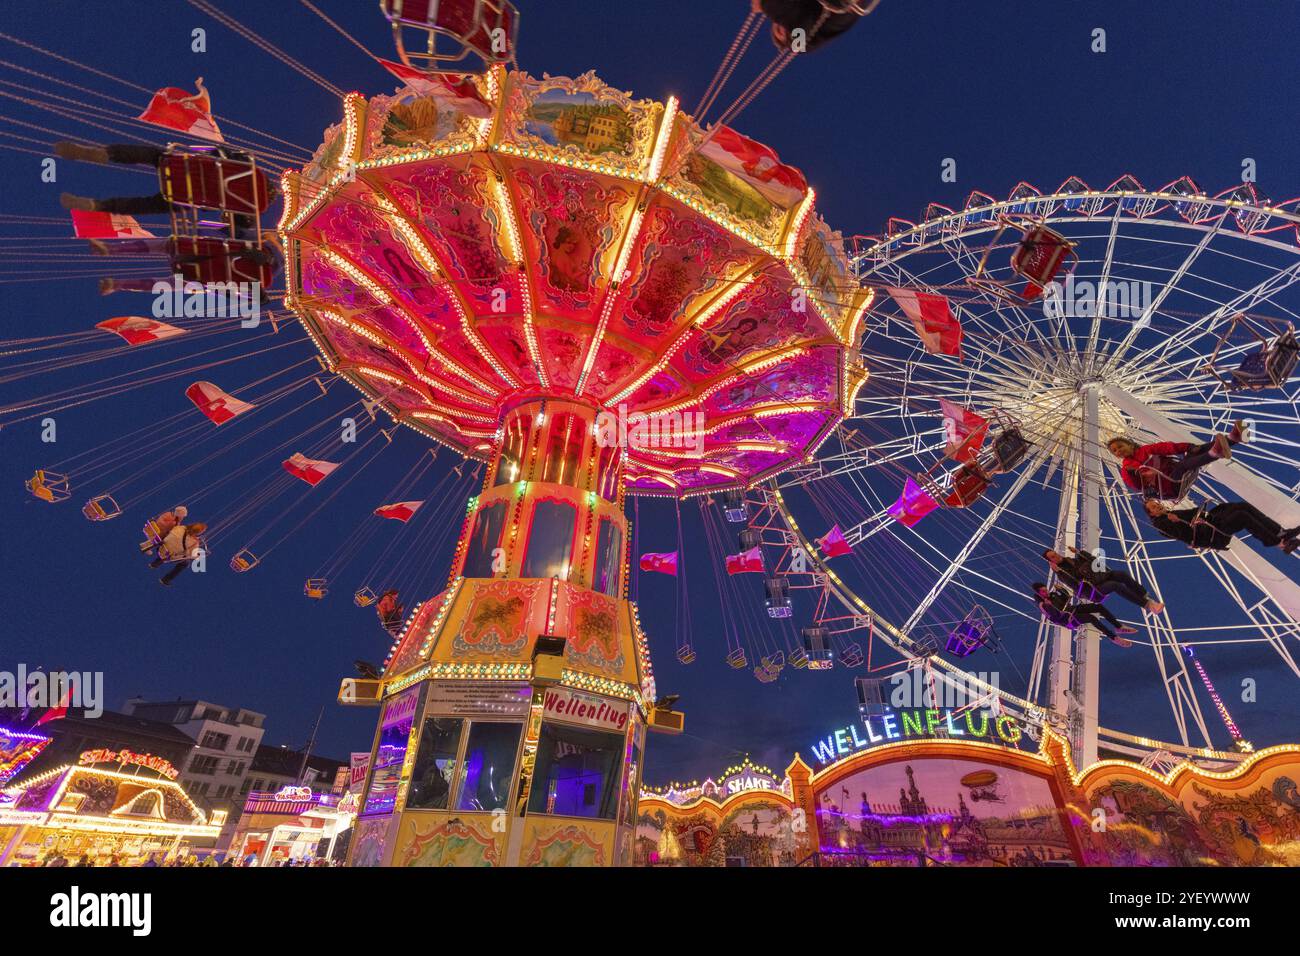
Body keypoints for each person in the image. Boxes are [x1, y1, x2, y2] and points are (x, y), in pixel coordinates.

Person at [56, 141, 275, 216]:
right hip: (189, 197)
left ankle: (106, 154)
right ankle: (99, 205)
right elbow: (232, 221)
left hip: (189, 168)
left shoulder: (250, 169)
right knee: (150, 205)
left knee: (155, 156)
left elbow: (220, 153)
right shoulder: (253, 207)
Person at [1107, 423, 1246, 499]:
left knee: (1195, 451)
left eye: (1120, 446)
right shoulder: (1126, 468)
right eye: (1115, 451)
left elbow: (1167, 447)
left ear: (1130, 445)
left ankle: (1234, 438)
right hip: (1169, 486)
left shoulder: (1146, 450)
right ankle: (1214, 454)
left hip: (1175, 474)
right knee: (1183, 465)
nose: (1118, 451)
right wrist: (1134, 473)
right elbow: (1136, 486)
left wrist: (1189, 446)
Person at [1144, 499, 1300, 554]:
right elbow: (1182, 534)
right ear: (1151, 514)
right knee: (1241, 516)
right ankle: (1277, 542)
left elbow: (1193, 512)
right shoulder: (1162, 524)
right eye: (1154, 507)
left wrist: (1198, 509)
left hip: (1211, 525)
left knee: (1241, 506)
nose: (1158, 506)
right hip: (1210, 535)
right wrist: (1175, 521)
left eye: (1157, 503)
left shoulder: (1170, 513)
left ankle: (1280, 532)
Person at [1043, 547, 1165, 614]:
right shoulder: (1061, 574)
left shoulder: (1071, 560)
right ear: (1050, 562)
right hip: (1093, 590)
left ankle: (1146, 597)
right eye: (1053, 557)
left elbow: (1092, 560)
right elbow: (1074, 584)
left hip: (1101, 577)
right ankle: (1148, 605)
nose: (1057, 556)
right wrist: (1058, 571)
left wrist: (1080, 552)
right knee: (1115, 585)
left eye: (1055, 553)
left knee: (1121, 574)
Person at [1033, 583, 1135, 647]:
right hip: (1068, 619)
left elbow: (1067, 598)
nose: (1046, 592)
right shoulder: (1043, 606)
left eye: (1046, 589)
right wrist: (1049, 606)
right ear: (1038, 593)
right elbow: (1055, 616)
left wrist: (1061, 589)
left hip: (1072, 609)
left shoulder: (1053, 595)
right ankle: (1114, 638)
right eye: (1043, 591)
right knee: (1091, 618)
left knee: (1098, 607)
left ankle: (1118, 626)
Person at [755, 0, 866, 53]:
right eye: (780, 31)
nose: (782, 24)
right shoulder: (801, 41)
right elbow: (797, 21)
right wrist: (763, 4)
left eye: (778, 25)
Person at [149, 521, 207, 585]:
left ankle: (154, 564)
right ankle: (165, 579)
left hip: (162, 548)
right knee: (185, 563)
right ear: (198, 533)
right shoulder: (194, 543)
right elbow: (191, 555)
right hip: (169, 556)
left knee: (171, 548)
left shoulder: (180, 528)